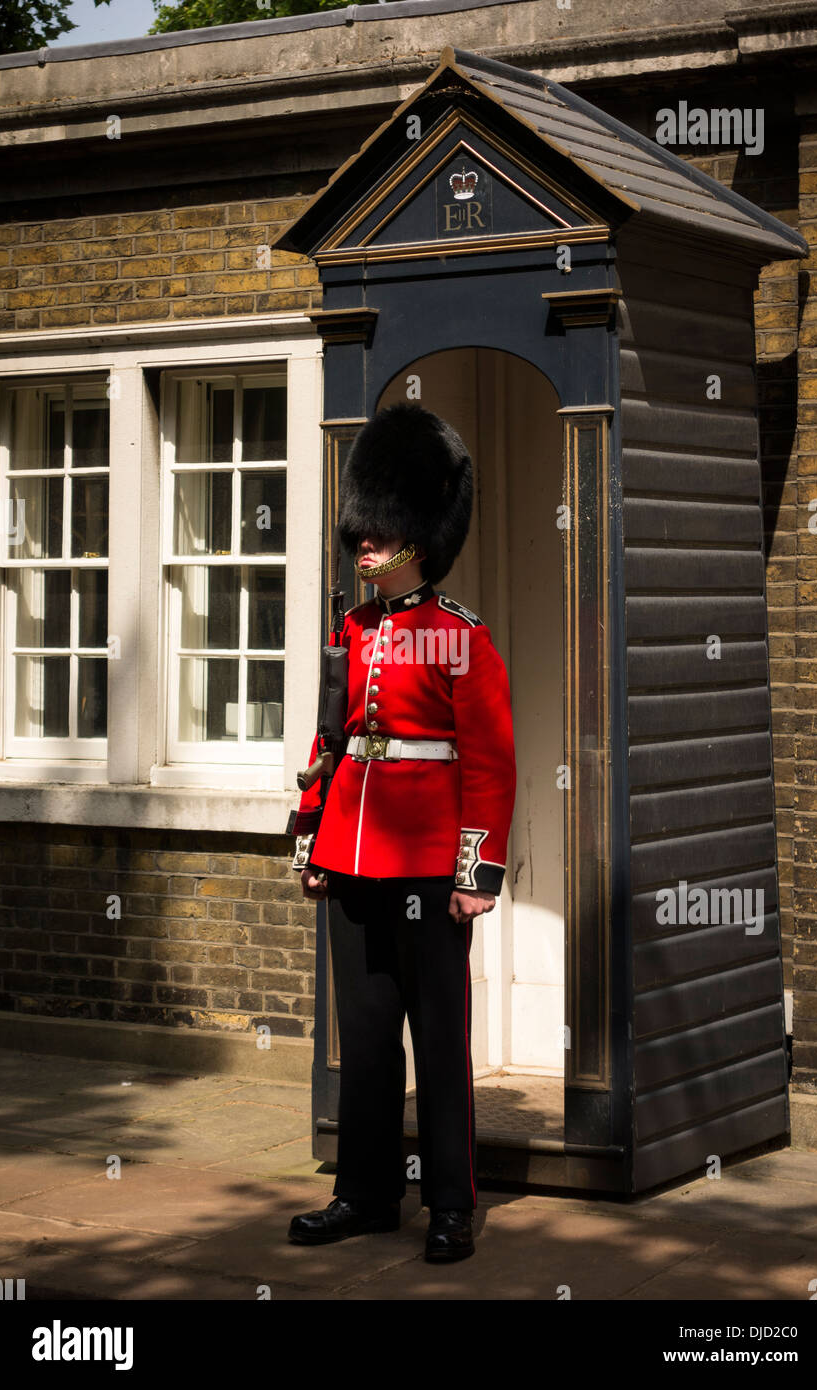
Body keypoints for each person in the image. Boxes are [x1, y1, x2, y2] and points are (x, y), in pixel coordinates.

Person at [286, 401, 516, 1263]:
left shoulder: (462, 637)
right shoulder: (352, 633)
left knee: (441, 1040)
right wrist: (310, 841)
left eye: (381, 535)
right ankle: (365, 1193)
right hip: (352, 856)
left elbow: (490, 766)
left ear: (420, 535)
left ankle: (451, 1205)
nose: (366, 547)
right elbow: (330, 745)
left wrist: (474, 872)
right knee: (369, 1034)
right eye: (362, 535)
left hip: (426, 865)